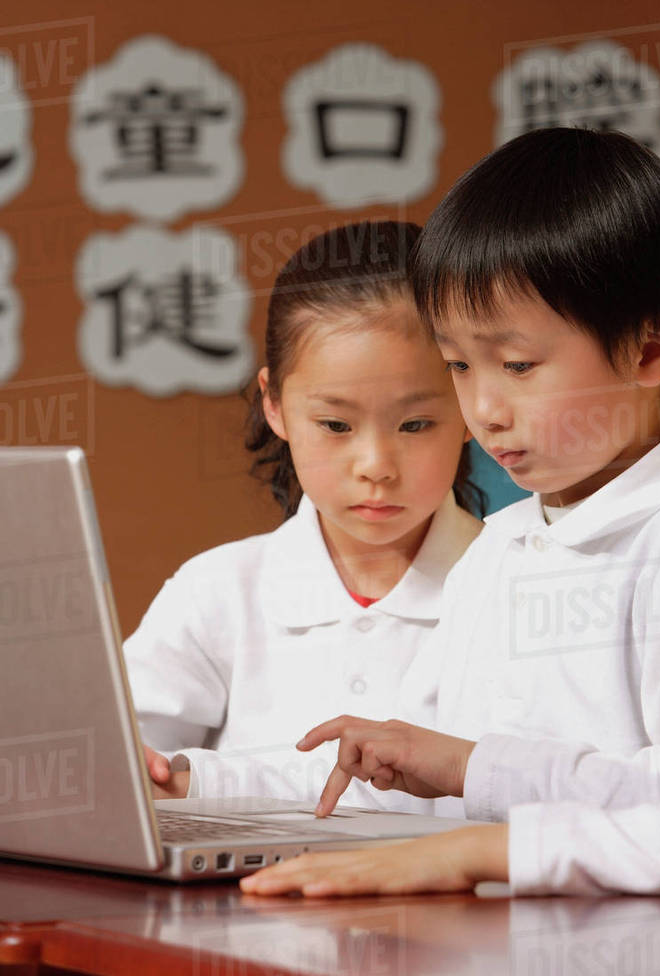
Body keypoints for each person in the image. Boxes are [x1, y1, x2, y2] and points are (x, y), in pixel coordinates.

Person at [239, 141, 660, 899]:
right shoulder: (499, 545)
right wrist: (191, 781)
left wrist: (476, 781)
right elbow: (399, 765)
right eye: (459, 367)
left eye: (518, 366)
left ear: (652, 348)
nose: (484, 410)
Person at [123, 220, 482, 805]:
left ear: (473, 402)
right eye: (336, 424)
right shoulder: (219, 590)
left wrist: (204, 783)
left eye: (415, 424)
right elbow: (121, 755)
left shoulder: (511, 586)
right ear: (275, 404)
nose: (376, 465)